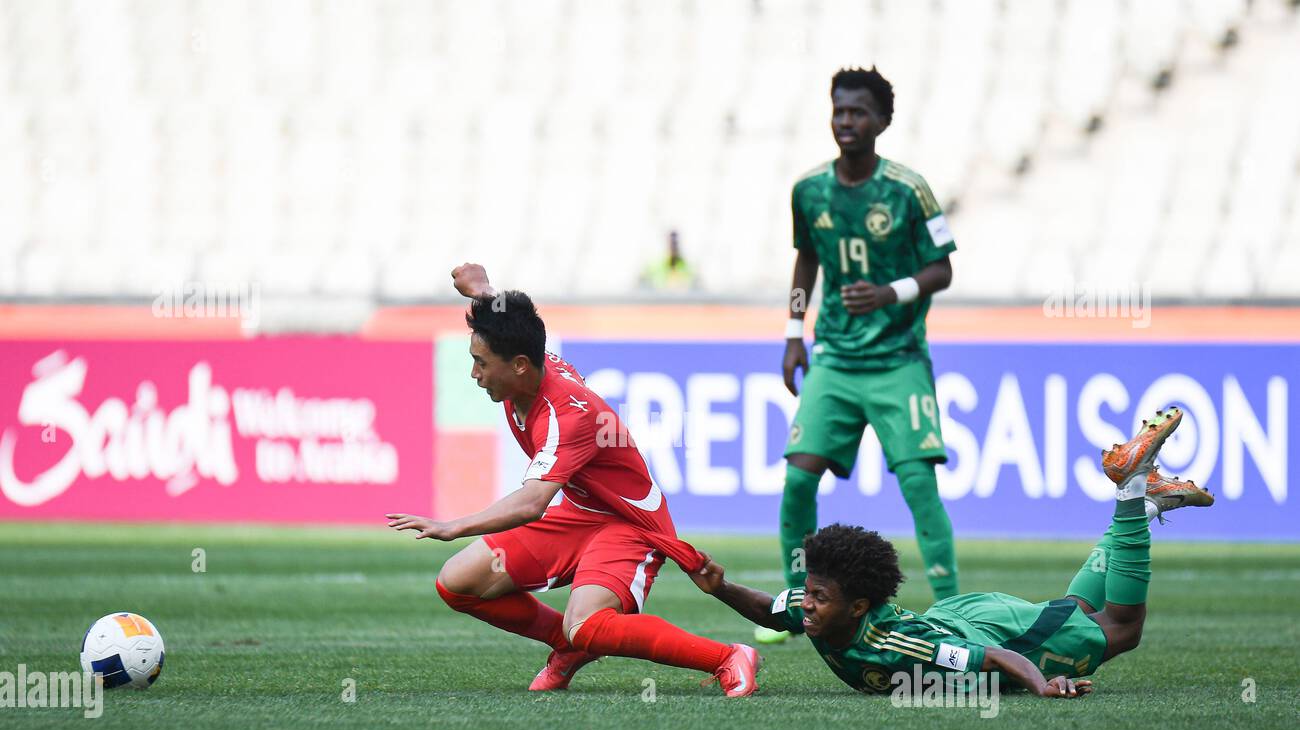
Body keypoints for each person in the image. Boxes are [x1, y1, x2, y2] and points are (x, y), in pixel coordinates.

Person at [386, 263, 760, 696]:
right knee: (459, 582)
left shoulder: (566, 415)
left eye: (480, 363)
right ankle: (567, 646)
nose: (475, 374)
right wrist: (483, 291)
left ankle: (727, 656)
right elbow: (513, 319)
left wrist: (454, 526)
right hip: (581, 511)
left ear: (521, 365)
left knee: (587, 623)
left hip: (629, 524)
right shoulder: (528, 362)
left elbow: (531, 504)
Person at [692, 408, 1214, 697]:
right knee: (1074, 614)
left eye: (817, 598)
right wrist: (721, 589)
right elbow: (767, 609)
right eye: (808, 594)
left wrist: (1040, 687)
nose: (805, 604)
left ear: (856, 607)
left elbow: (993, 658)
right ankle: (1140, 507)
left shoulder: (896, 643)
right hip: (964, 618)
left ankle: (1131, 494)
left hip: (979, 634)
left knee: (1121, 630)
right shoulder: (822, 608)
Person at [765, 66, 959, 644]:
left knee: (919, 483)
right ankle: (796, 602)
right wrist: (793, 330)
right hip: (835, 361)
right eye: (839, 111)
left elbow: (942, 269)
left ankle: (954, 607)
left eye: (857, 112)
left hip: (898, 359)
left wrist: (888, 292)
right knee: (799, 482)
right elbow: (806, 261)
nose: (846, 121)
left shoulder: (908, 189)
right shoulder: (809, 190)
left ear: (882, 121)